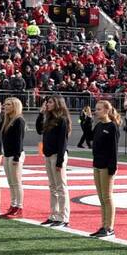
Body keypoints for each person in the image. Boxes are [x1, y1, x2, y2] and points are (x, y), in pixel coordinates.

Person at [36, 96, 72, 228]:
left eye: (50, 102)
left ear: (57, 104)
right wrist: (40, 114)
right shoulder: (49, 118)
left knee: (61, 187)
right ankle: (54, 215)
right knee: (52, 187)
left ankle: (64, 217)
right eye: (47, 102)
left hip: (58, 155)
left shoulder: (62, 119)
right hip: (48, 155)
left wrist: (60, 161)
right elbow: (39, 130)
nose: (47, 104)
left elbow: (63, 142)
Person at [90, 100, 121, 239]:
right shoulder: (98, 126)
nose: (96, 111)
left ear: (107, 110)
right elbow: (90, 140)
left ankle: (109, 227)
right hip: (97, 164)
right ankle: (103, 225)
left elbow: (113, 150)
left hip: (106, 166)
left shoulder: (112, 126)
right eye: (96, 109)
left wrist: (112, 167)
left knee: (107, 197)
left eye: (99, 109)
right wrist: (85, 121)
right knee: (101, 197)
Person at [0, 97, 26, 219]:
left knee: (17, 182)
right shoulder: (7, 120)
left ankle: (19, 207)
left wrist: (16, 157)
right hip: (8, 154)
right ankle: (13, 204)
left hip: (16, 155)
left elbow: (18, 140)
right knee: (11, 182)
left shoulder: (19, 120)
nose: (5, 106)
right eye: (5, 104)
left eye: (8, 104)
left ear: (15, 106)